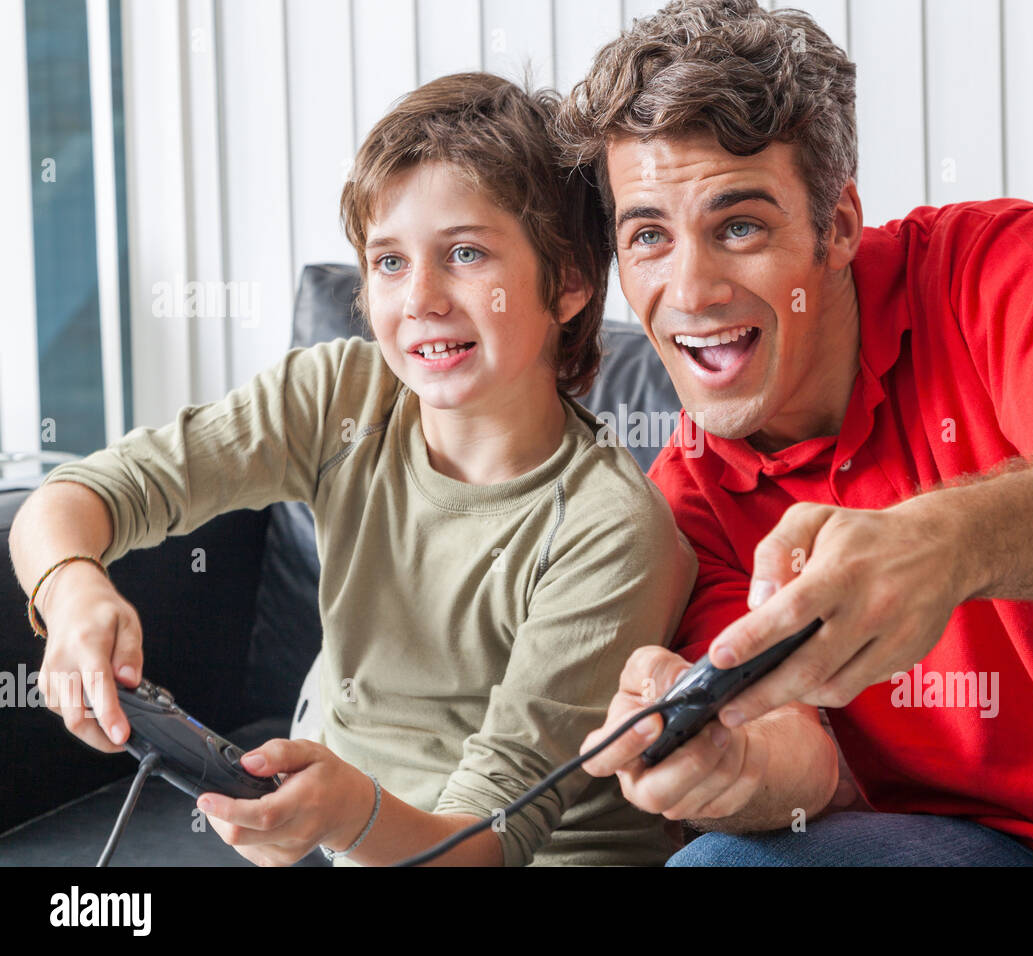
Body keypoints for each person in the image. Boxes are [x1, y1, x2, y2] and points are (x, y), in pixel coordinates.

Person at [553, 0, 1033, 865]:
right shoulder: (688, 505)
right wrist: (732, 766)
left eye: (740, 226)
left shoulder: (1000, 264)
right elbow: (804, 758)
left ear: (835, 227)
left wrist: (939, 545)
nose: (691, 289)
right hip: (983, 849)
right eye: (648, 236)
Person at [10, 73, 697, 867]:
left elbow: (488, 840)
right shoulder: (339, 394)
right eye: (389, 262)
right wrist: (72, 591)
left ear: (570, 281)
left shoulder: (610, 526)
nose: (421, 299)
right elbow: (76, 497)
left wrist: (349, 818)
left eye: (465, 254)